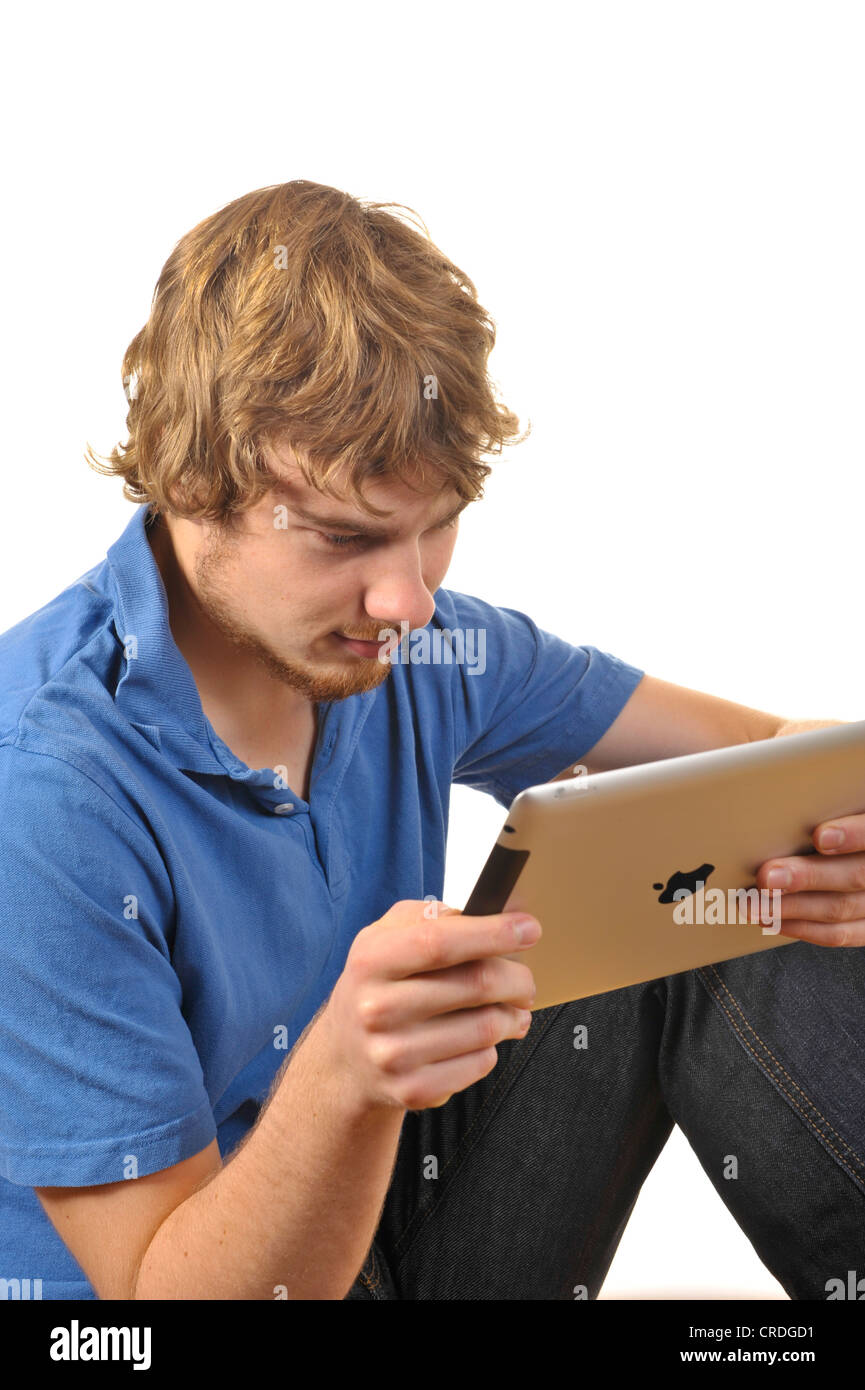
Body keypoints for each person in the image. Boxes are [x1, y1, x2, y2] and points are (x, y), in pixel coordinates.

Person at [0, 181, 862, 1302]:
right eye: (347, 537)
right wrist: (343, 1077)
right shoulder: (45, 787)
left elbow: (777, 760)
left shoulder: (414, 649)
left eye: (437, 523)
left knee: (752, 880)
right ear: (185, 482)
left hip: (391, 1218)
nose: (408, 598)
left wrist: (834, 836)